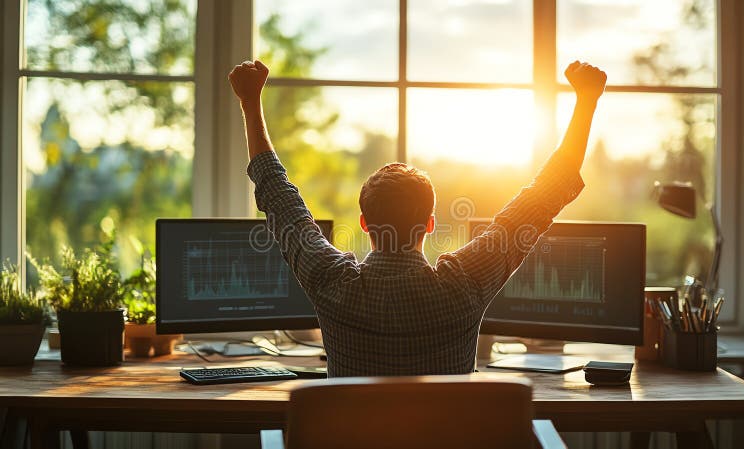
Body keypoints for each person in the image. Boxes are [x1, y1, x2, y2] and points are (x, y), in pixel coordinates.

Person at [229, 59, 606, 377]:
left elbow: (277, 194)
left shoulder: (331, 283)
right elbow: (545, 194)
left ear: (365, 224)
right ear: (429, 224)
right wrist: (586, 101)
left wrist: (250, 103)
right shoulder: (465, 285)